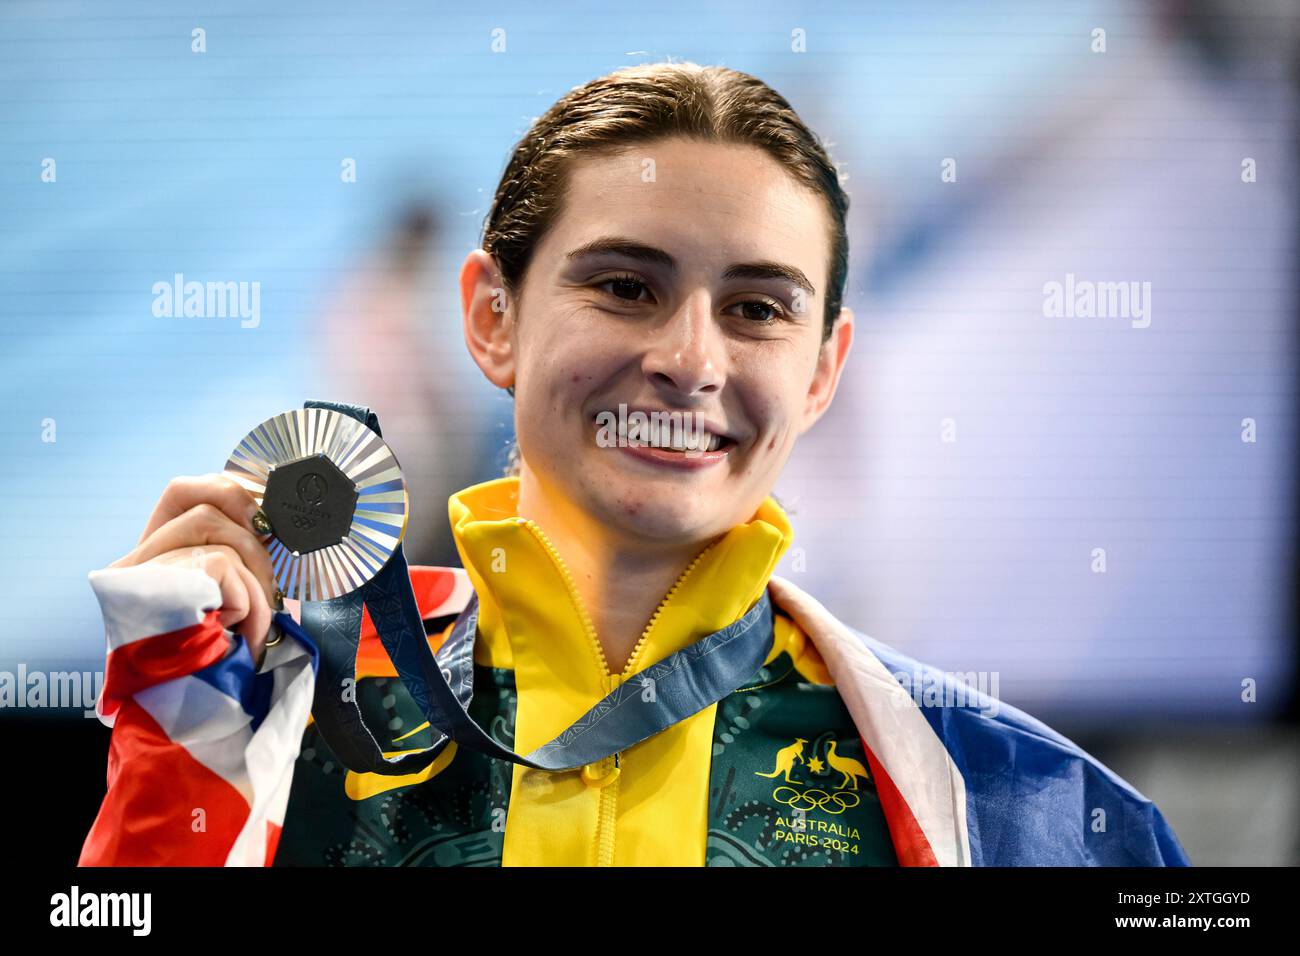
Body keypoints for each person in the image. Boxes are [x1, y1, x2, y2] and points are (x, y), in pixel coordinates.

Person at [78, 62, 1189, 868]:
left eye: (756, 307)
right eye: (624, 286)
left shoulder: (1046, 814)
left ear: (820, 369)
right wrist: (175, 745)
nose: (689, 359)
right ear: (491, 318)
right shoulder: (272, 723)